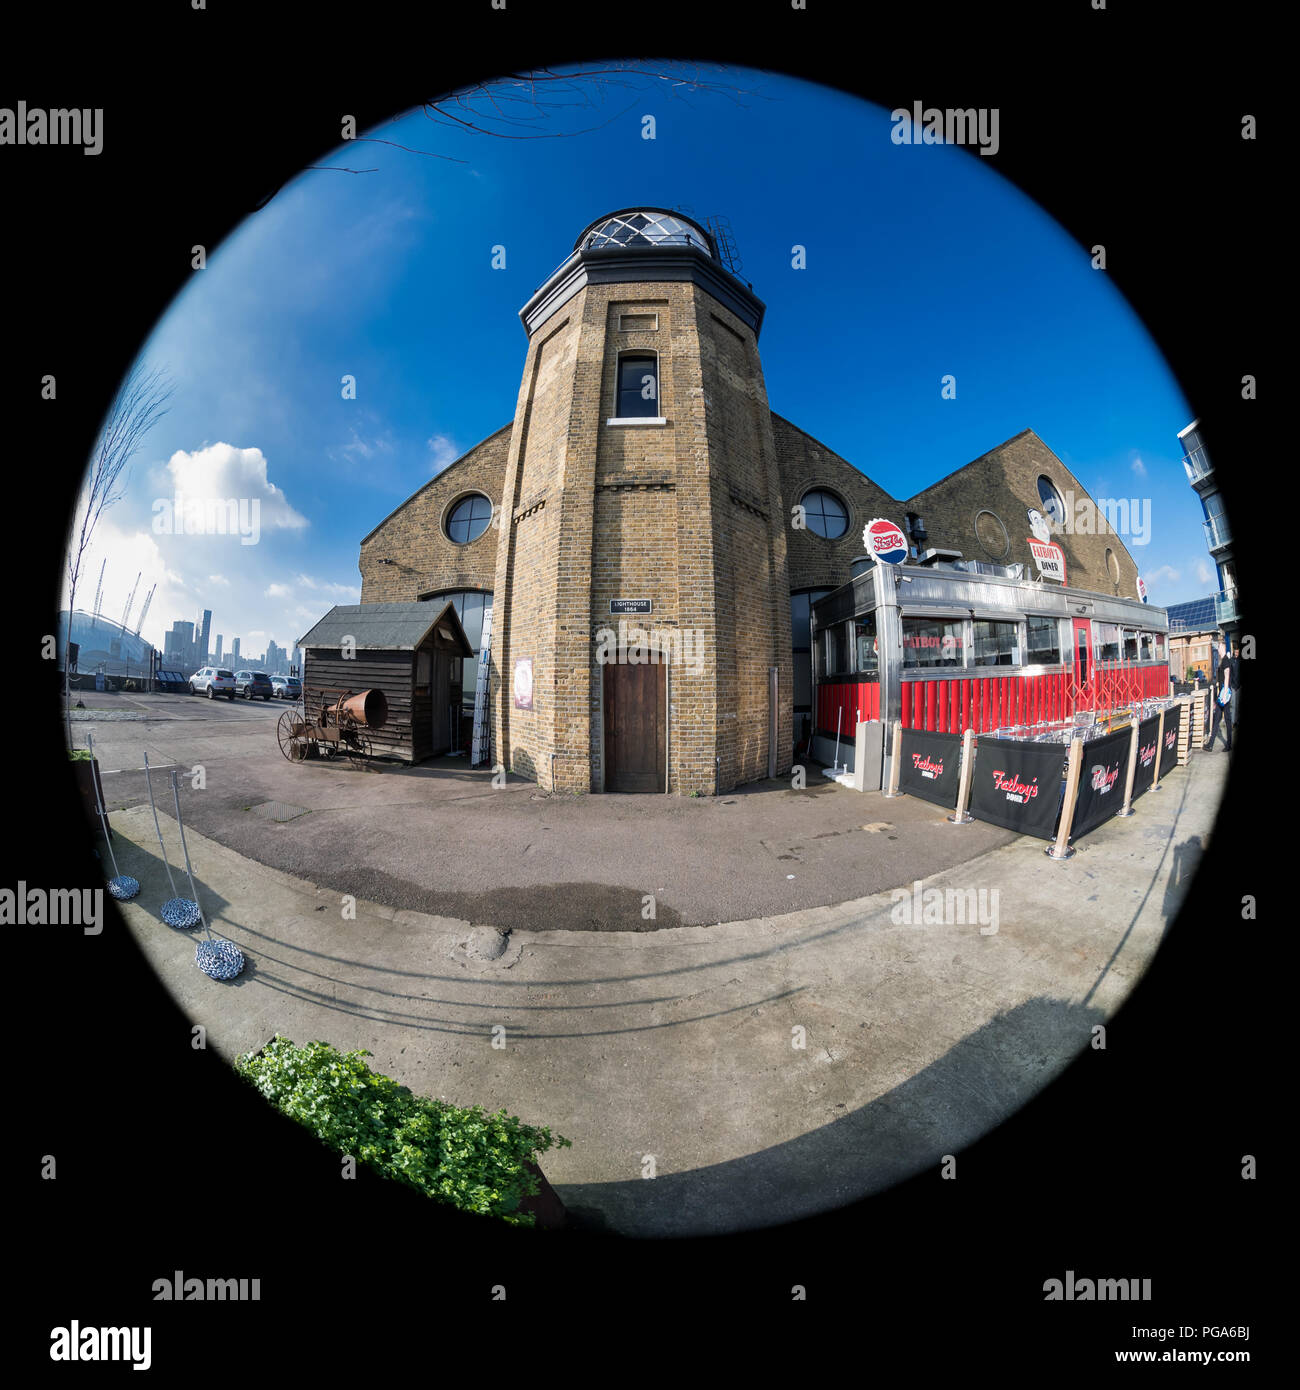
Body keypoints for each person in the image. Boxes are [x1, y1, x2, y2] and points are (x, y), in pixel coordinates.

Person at [1205, 638, 1237, 752]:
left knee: (1226, 719)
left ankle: (1225, 745)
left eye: (1218, 648)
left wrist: (1223, 696)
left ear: (1222, 647)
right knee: (1219, 718)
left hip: (1224, 695)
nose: (1217, 650)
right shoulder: (1223, 660)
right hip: (1223, 693)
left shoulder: (1225, 661)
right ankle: (1211, 744)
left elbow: (1227, 676)